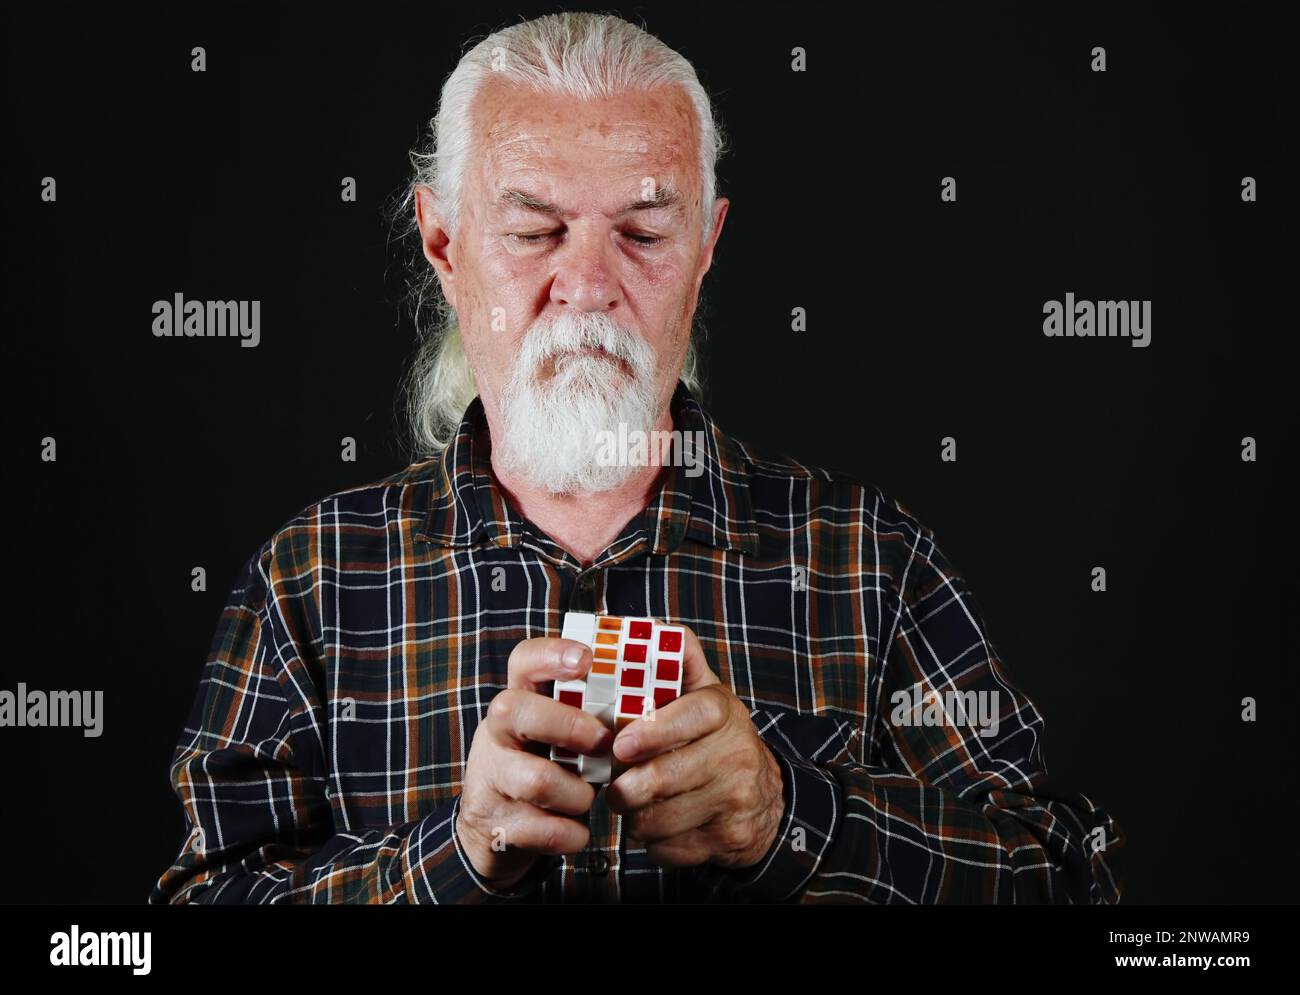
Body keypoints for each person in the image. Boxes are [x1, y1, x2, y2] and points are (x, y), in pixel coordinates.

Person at [150, 11, 1123, 904]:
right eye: (534, 230)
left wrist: (790, 814)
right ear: (444, 246)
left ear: (705, 246)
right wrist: (454, 852)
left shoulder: (872, 558)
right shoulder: (307, 582)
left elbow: (1066, 885)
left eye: (644, 232)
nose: (586, 285)